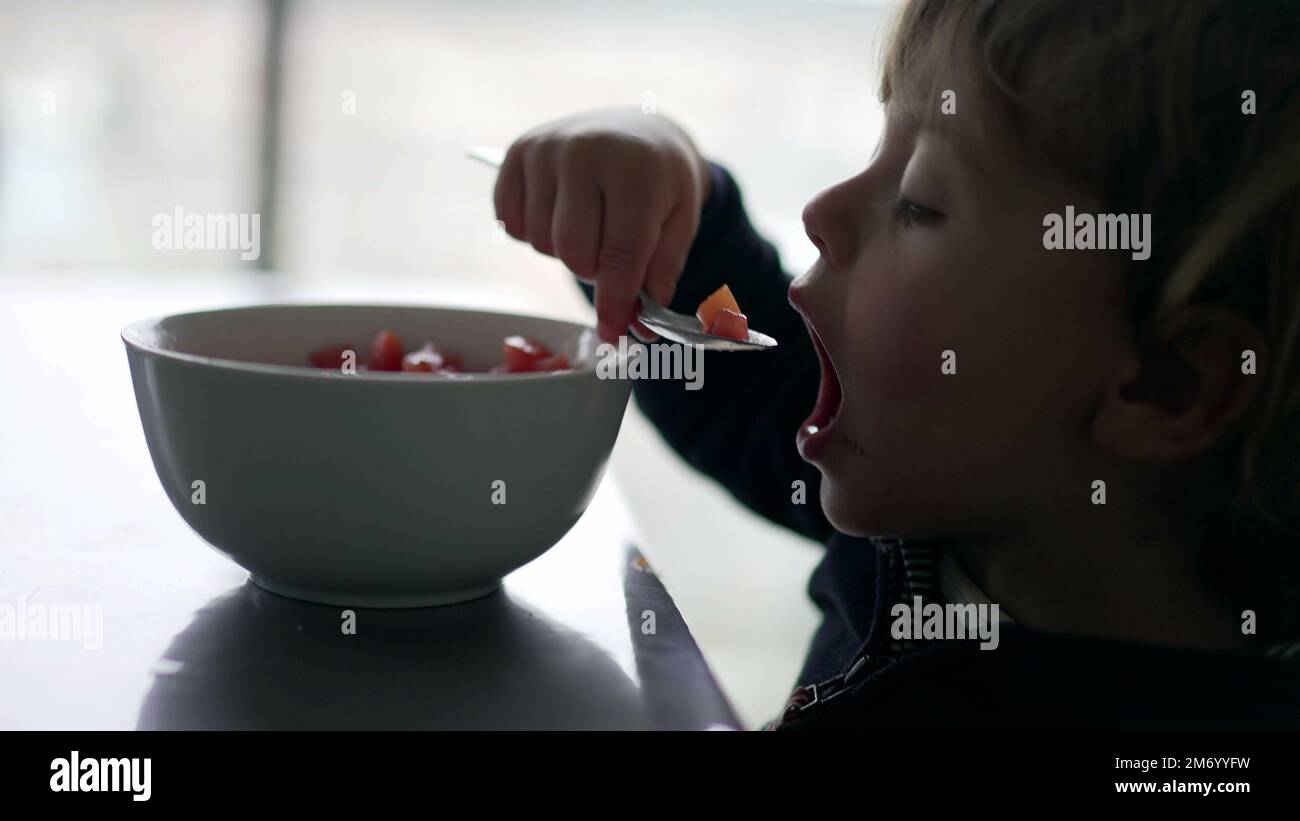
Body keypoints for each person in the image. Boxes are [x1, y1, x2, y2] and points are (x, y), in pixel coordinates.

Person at [491, 0, 1300, 729]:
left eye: (917, 199)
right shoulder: (946, 483)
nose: (822, 211)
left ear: (1166, 385)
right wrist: (661, 198)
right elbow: (741, 384)